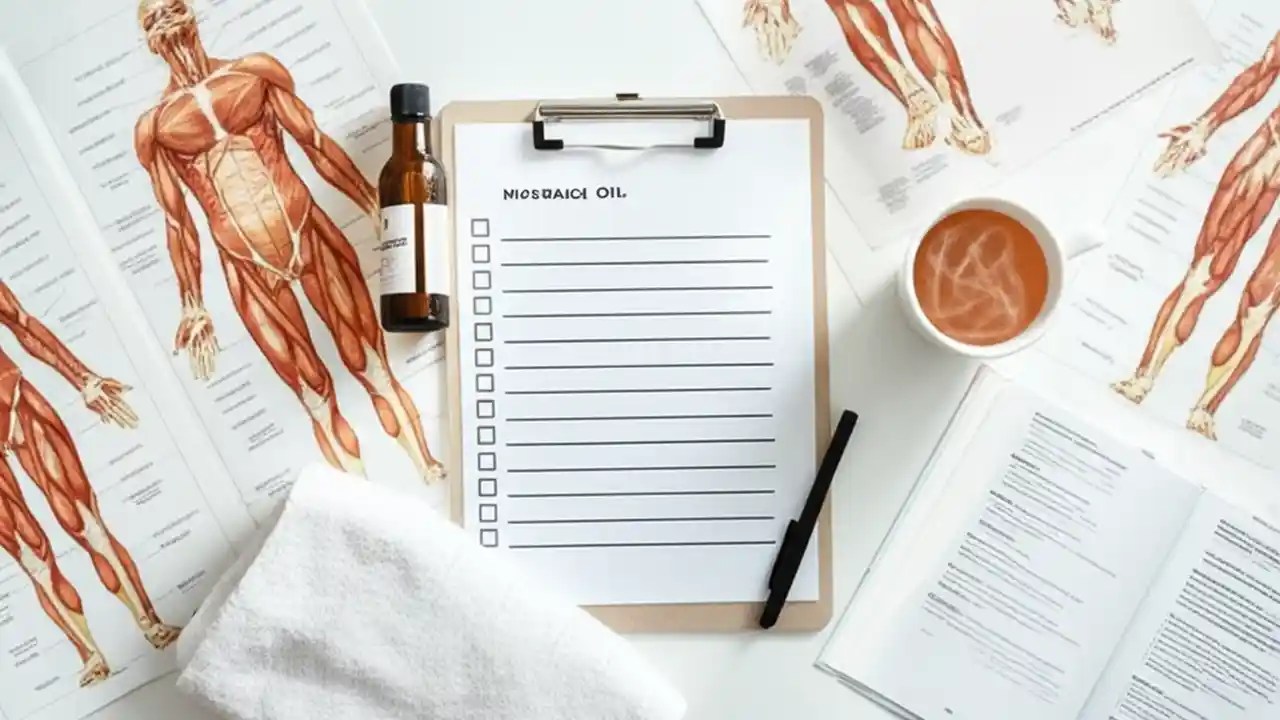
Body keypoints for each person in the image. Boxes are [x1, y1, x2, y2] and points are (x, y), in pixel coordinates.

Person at [133, 0, 442, 479]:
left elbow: (313, 142)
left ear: (191, 16)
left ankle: (427, 467)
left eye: (172, 8)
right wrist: (192, 302)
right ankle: (364, 505)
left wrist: (369, 202)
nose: (166, 21)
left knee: (370, 361)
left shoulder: (254, 74)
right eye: (153, 17)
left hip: (306, 230)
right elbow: (176, 220)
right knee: (314, 393)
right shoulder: (155, 128)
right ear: (147, 39)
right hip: (246, 264)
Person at [0, 282, 178, 687]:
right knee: (30, 555)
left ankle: (150, 624)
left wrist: (84, 379)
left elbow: (21, 322)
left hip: (12, 403)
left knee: (85, 524)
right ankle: (90, 654)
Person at [1114, 32, 1280, 440]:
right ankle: (1144, 378)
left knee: (1262, 304)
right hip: (1270, 152)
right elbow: (1263, 72)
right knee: (1206, 272)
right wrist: (1205, 126)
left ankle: (1205, 408)